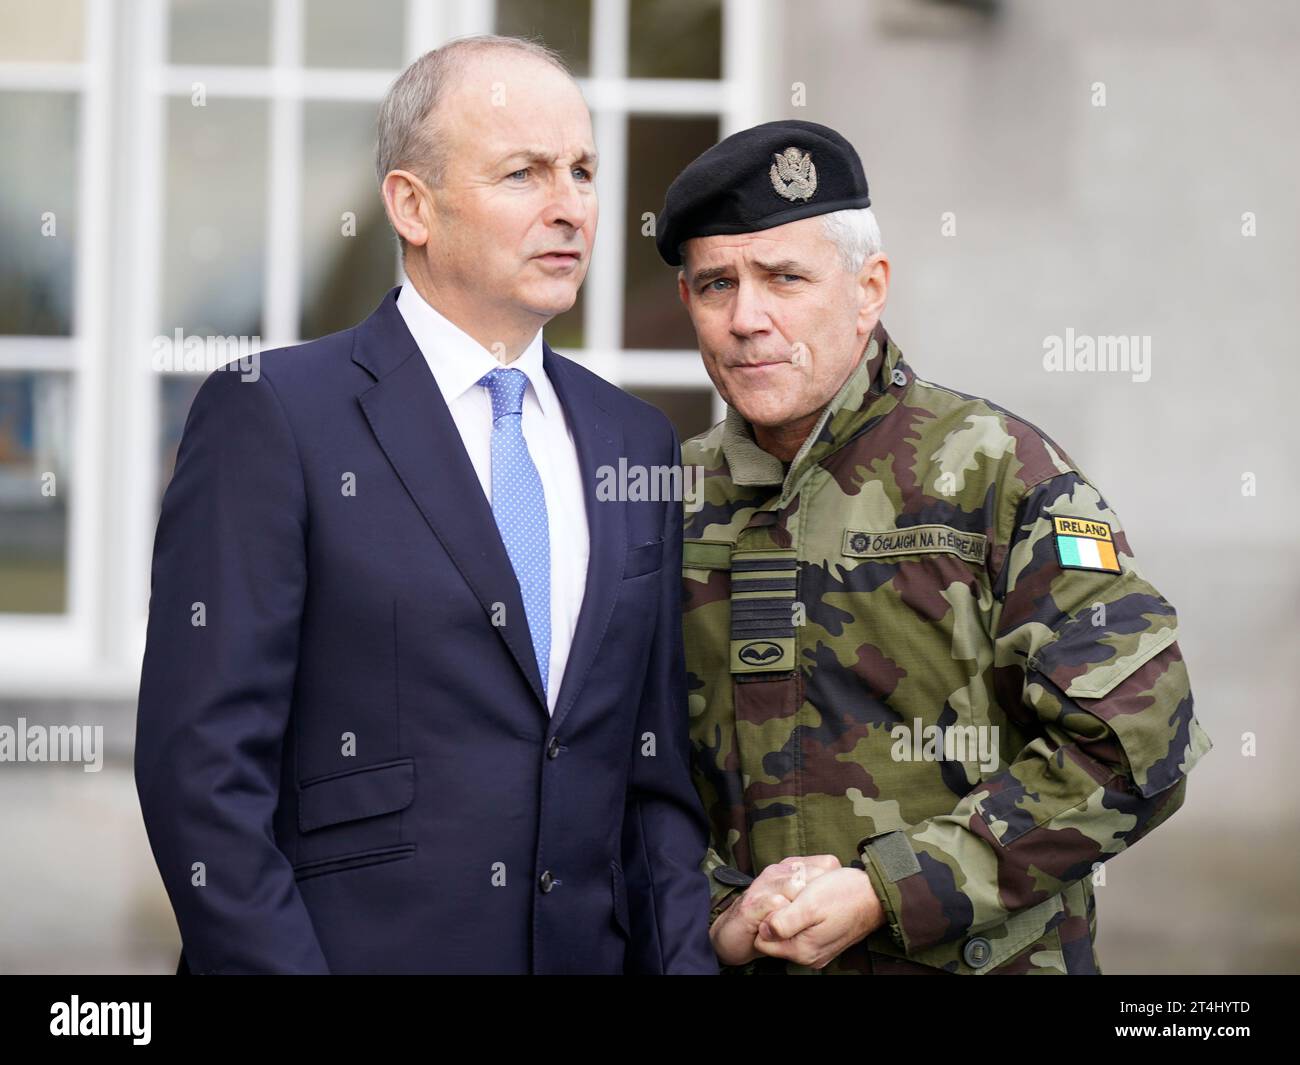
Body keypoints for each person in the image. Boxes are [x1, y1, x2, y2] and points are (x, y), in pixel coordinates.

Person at [134, 35, 715, 975]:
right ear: (412, 205)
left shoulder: (631, 441)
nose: (570, 207)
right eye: (523, 174)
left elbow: (650, 790)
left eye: (582, 171)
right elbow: (200, 775)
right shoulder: (273, 414)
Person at [656, 119, 1212, 974]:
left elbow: (1140, 736)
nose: (747, 318)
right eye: (716, 283)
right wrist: (712, 915)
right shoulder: (665, 501)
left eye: (784, 278)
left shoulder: (999, 474)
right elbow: (613, 766)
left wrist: (892, 888)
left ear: (868, 287)